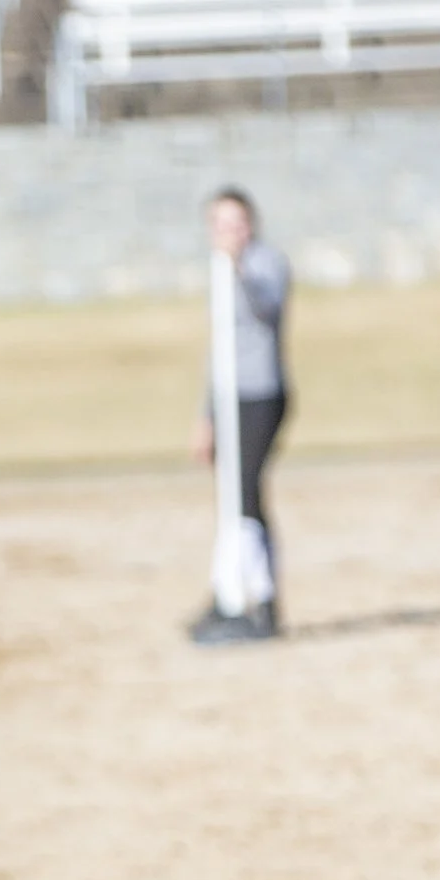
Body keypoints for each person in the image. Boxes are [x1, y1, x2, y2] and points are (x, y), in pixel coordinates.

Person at [189, 187, 292, 644]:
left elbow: (265, 307)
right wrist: (205, 416)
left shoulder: (266, 263)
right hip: (228, 400)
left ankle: (261, 600)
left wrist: (238, 268)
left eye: (238, 224)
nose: (230, 233)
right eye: (221, 225)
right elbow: (219, 353)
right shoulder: (215, 272)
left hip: (261, 396)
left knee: (246, 494)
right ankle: (226, 593)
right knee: (232, 496)